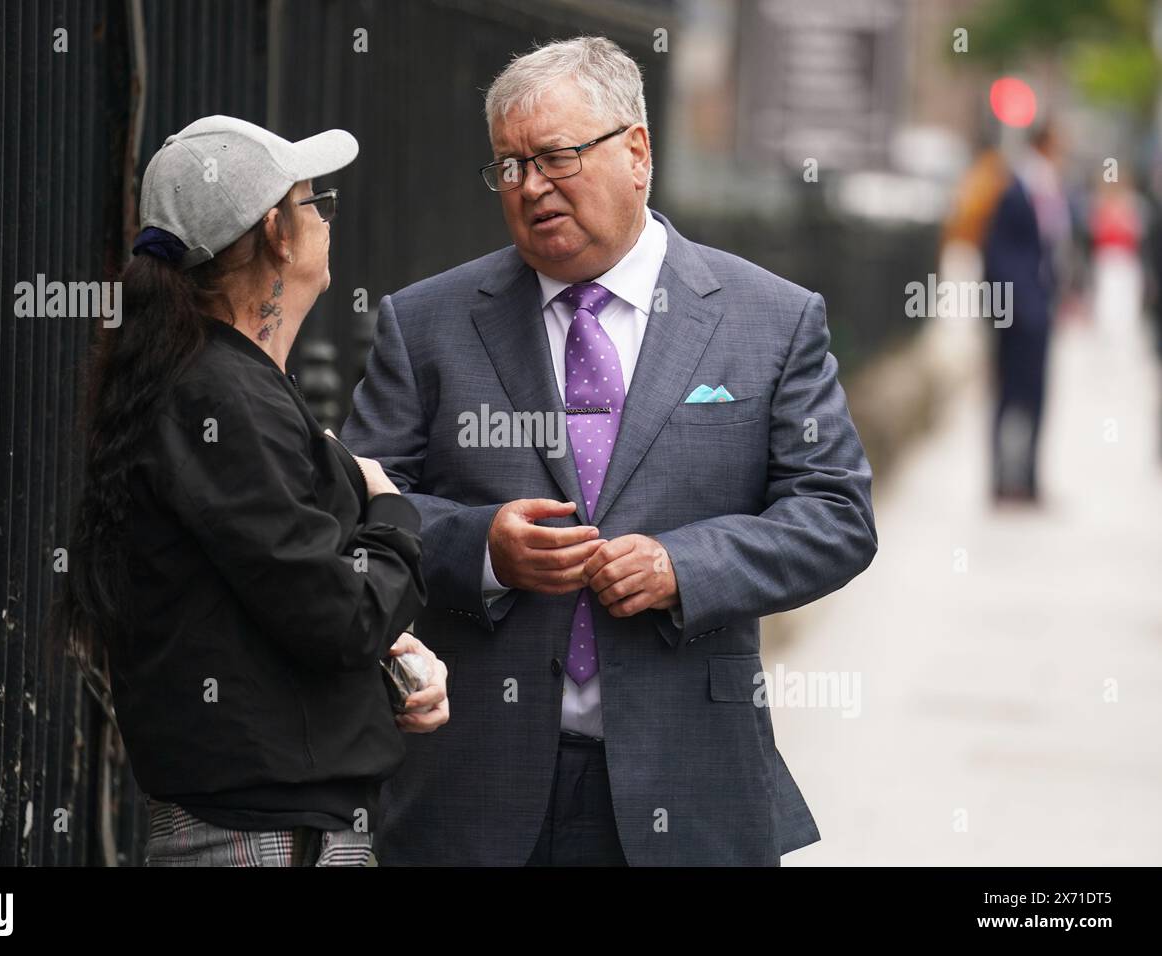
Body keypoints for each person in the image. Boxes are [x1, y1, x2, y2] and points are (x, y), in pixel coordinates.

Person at [340, 38, 876, 866]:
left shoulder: (769, 319)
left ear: (637, 152)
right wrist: (482, 548)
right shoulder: (429, 323)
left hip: (689, 786)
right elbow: (362, 508)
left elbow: (836, 516)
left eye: (554, 156)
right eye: (508, 167)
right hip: (475, 788)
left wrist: (683, 566)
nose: (530, 187)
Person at [56, 115, 448, 867]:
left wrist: (389, 658)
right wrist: (391, 513)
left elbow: (268, 600)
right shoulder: (218, 396)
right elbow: (334, 615)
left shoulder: (216, 383)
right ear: (276, 231)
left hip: (275, 826)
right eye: (314, 201)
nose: (325, 219)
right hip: (264, 840)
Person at [984, 121, 1069, 504]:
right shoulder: (1018, 191)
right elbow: (1000, 258)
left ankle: (1027, 479)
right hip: (1020, 318)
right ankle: (1005, 481)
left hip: (1036, 315)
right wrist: (1022, 308)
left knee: (1033, 398)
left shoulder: (1044, 187)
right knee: (1010, 398)